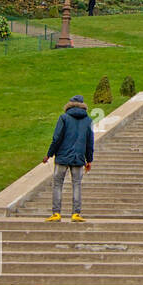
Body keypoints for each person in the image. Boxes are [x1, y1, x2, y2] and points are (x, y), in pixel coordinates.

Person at [42, 95, 93, 223]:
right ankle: (76, 213)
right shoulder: (87, 120)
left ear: (69, 104)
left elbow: (57, 138)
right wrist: (89, 160)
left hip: (62, 156)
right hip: (79, 157)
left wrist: (49, 154)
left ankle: (56, 213)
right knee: (77, 184)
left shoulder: (64, 118)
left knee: (58, 184)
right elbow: (89, 142)